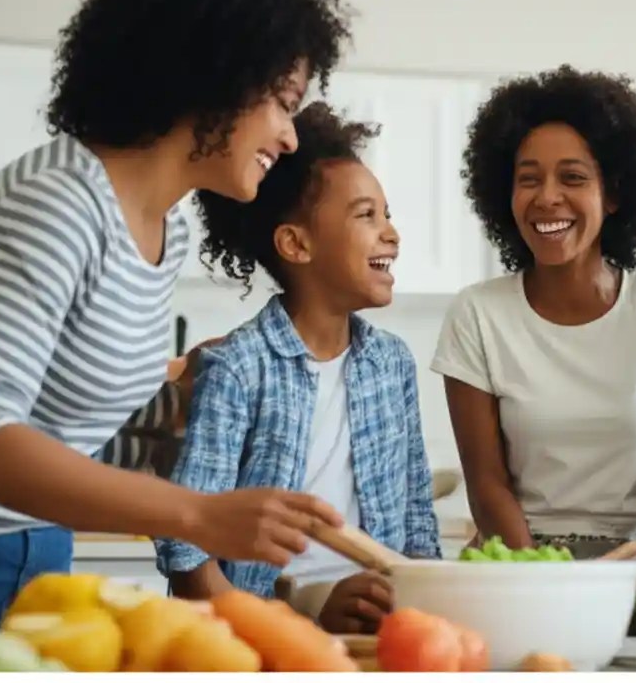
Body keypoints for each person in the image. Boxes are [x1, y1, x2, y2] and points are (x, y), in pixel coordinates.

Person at [0, 0, 354, 629]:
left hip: (38, 551)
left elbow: (66, 436)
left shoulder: (166, 232)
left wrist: (179, 407)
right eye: (283, 102)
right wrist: (197, 514)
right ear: (214, 76)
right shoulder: (58, 204)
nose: (289, 137)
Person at [156, 102, 441, 635]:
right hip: (269, 635)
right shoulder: (237, 367)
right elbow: (186, 552)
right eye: (366, 215)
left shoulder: (392, 363)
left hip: (383, 634)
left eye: (388, 213)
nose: (392, 233)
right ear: (296, 243)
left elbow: (417, 525)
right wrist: (302, 614)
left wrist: (425, 615)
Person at [431, 65, 636, 559]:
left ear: (612, 194)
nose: (547, 197)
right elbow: (487, 484)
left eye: (573, 177)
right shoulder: (477, 314)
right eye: (528, 180)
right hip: (518, 562)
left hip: (634, 564)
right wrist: (538, 574)